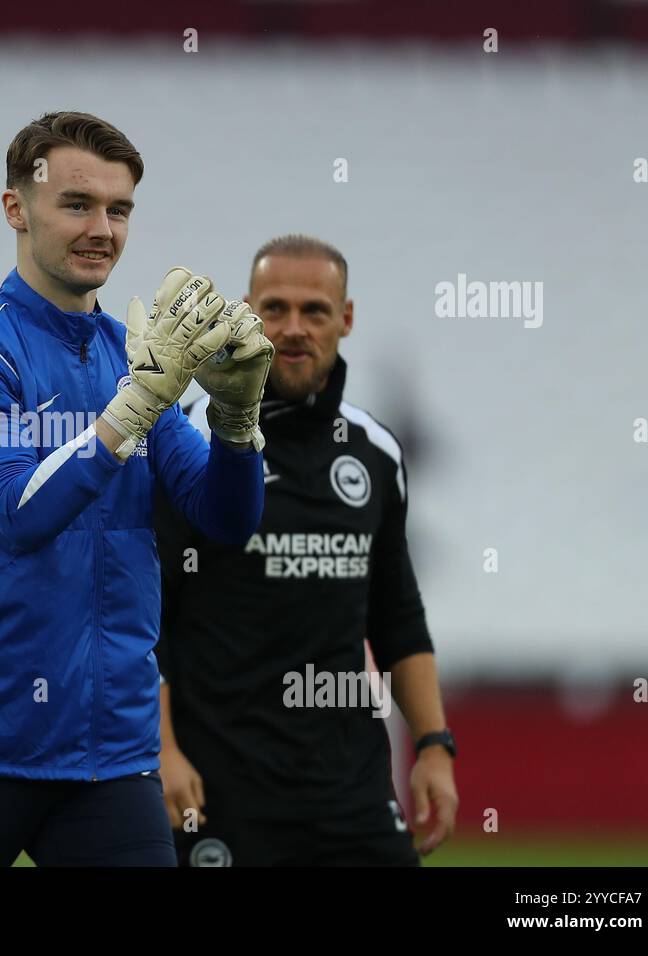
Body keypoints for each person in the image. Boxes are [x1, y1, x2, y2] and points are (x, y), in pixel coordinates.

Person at [0, 111, 274, 866]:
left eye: (118, 209)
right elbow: (19, 514)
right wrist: (133, 407)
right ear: (16, 209)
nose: (102, 227)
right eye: (77, 205)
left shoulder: (130, 359)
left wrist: (235, 418)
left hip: (108, 751)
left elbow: (226, 519)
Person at [156, 235, 459, 866]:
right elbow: (135, 616)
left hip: (349, 792)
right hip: (216, 790)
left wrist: (433, 744)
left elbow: (398, 616)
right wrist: (160, 751)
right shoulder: (187, 440)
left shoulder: (376, 453)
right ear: (247, 312)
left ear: (346, 319)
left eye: (315, 311)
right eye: (276, 308)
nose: (294, 329)